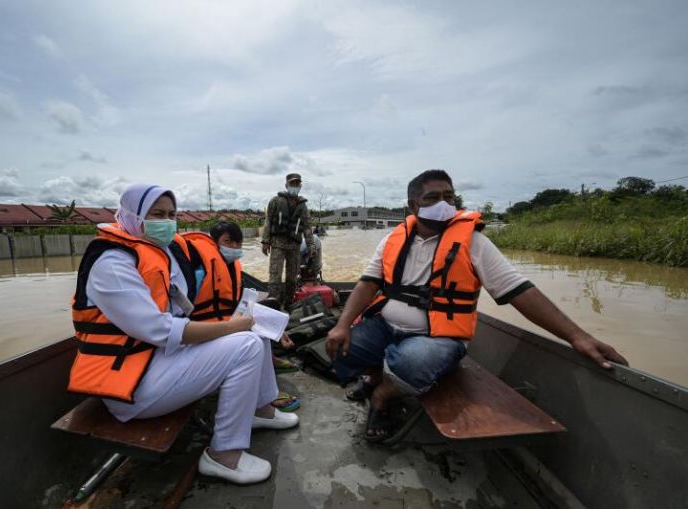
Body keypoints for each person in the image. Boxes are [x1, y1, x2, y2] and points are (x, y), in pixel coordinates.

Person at [325, 169, 628, 442]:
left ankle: (382, 396)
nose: (444, 203)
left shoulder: (473, 242)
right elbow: (367, 284)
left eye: (449, 196)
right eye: (433, 197)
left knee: (414, 362)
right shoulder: (393, 238)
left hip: (438, 338)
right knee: (340, 349)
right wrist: (342, 325)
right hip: (387, 326)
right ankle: (376, 375)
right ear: (413, 206)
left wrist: (577, 336)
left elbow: (520, 291)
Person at [68, 183, 298, 485]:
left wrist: (239, 320)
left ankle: (262, 409)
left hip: (156, 361)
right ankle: (223, 455)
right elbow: (159, 329)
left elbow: (183, 308)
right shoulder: (112, 263)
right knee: (245, 343)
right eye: (157, 214)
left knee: (254, 328)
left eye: (171, 214)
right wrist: (230, 327)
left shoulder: (157, 253)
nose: (167, 221)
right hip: (130, 387)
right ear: (131, 215)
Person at [183, 220, 301, 409]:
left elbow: (239, 306)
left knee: (269, 310)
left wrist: (276, 329)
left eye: (238, 243)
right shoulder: (198, 270)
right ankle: (266, 398)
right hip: (203, 333)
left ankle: (266, 382)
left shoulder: (231, 267)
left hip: (224, 325)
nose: (234, 247)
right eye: (228, 241)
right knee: (254, 336)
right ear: (214, 242)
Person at [261, 173, 315, 306]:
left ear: (300, 186)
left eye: (297, 184)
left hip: (294, 246)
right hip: (278, 244)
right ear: (286, 185)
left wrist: (311, 246)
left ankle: (289, 303)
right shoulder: (275, 201)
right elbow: (268, 220)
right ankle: (274, 303)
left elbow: (307, 227)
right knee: (275, 276)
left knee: (292, 277)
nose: (294, 186)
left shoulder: (303, 207)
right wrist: (265, 241)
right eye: (292, 184)